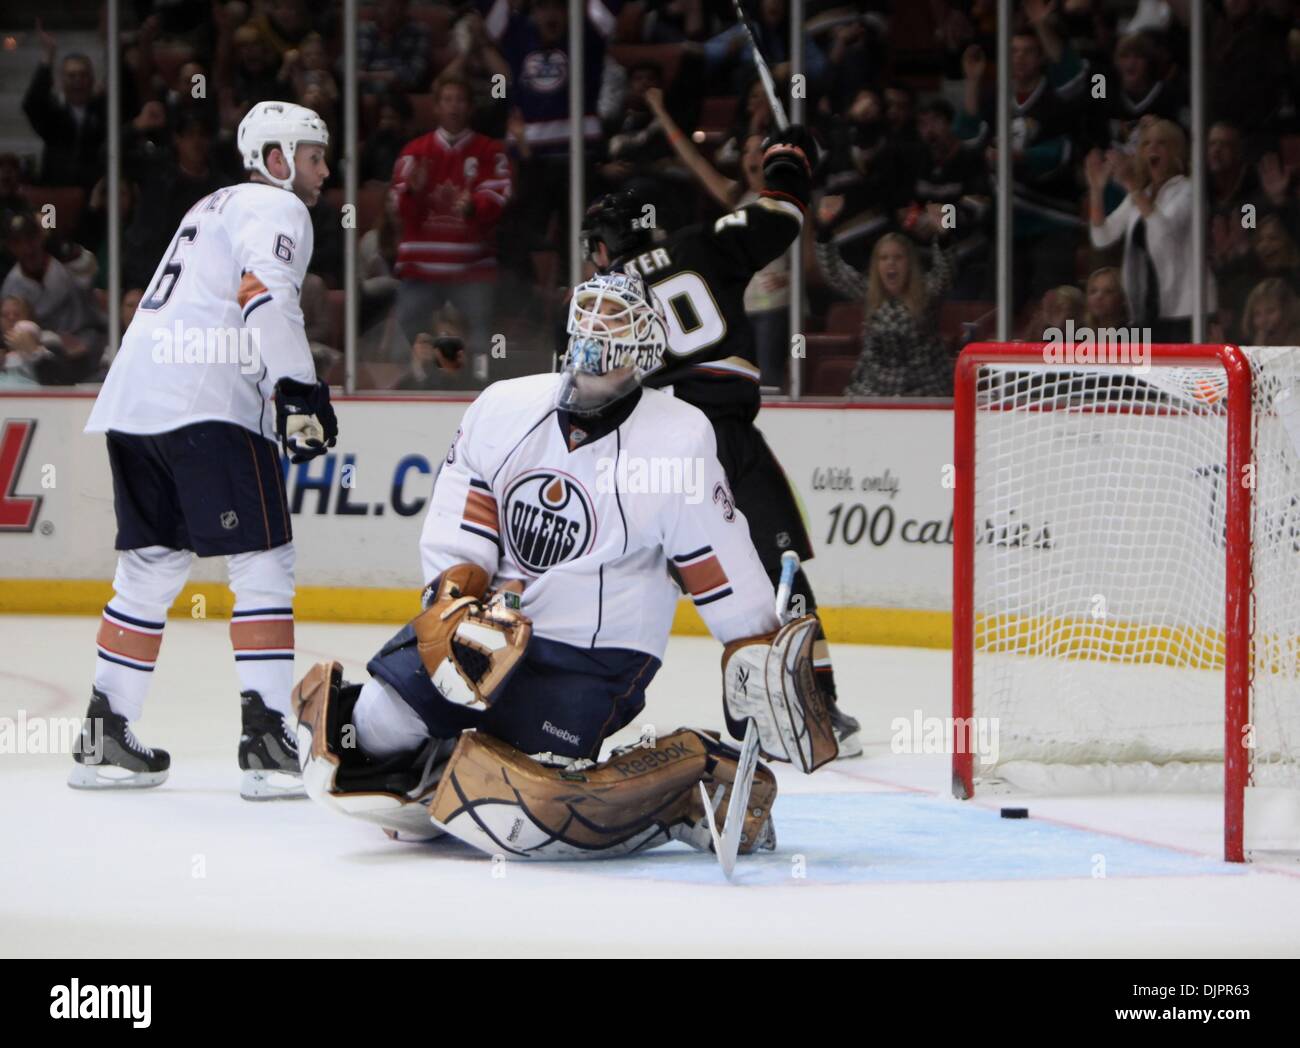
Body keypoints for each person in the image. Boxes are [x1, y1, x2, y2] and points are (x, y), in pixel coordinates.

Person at [292, 272, 838, 857]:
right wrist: (455, 601)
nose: (588, 363)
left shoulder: (676, 442)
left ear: (641, 359)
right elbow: (463, 522)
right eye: (583, 345)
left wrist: (753, 644)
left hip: (593, 655)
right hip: (489, 629)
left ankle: (688, 779)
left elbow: (717, 562)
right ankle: (435, 762)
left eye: (606, 351)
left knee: (528, 792)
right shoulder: (504, 408)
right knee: (369, 730)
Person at [71, 102, 337, 801]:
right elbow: (262, 293)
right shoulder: (278, 206)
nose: (324, 170)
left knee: (149, 568)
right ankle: (267, 743)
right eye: (313, 156)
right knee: (263, 563)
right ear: (276, 159)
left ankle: (104, 735)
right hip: (207, 405)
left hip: (135, 401)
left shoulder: (212, 204)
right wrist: (298, 390)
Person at [580, 127, 863, 758]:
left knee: (621, 582)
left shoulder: (598, 300)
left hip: (647, 452)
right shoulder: (700, 244)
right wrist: (788, 157)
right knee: (777, 569)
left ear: (604, 245)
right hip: (725, 436)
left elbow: (582, 393)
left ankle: (578, 715)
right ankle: (816, 711)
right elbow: (782, 213)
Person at [390, 73, 512, 383]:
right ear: (436, 107)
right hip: (420, 268)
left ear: (470, 106)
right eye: (447, 100)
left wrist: (474, 206)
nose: (454, 106)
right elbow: (399, 209)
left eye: (460, 100)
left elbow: (498, 199)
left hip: (470, 267)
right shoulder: (415, 151)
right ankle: (418, 383)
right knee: (405, 331)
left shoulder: (489, 150)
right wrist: (413, 192)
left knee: (481, 335)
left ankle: (480, 385)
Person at [1086, 118, 1214, 341]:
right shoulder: (1140, 194)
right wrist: (1096, 190)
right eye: (1146, 144)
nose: (1152, 148)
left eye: (1161, 143)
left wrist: (1132, 186)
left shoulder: (1188, 190)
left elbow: (1164, 238)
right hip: (1147, 306)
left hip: (1186, 308)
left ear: (1176, 151)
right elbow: (1102, 237)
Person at [816, 197, 956, 397]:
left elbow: (945, 273)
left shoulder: (927, 291)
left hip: (925, 389)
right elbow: (835, 272)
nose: (891, 264)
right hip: (874, 389)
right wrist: (824, 229)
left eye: (898, 257)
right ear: (876, 265)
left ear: (910, 264)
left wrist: (944, 235)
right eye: (884, 258)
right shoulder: (867, 291)